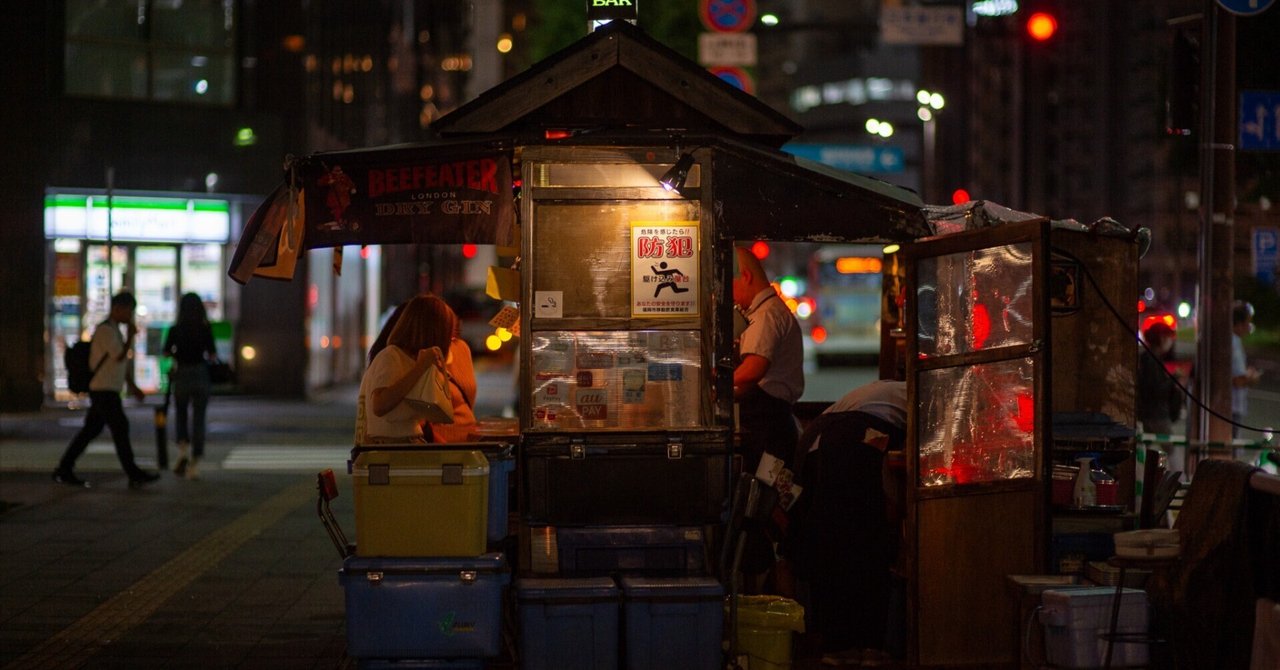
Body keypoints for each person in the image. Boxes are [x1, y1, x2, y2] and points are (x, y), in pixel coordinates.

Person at [788, 379, 907, 667]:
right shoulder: (925, 390)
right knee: (866, 538)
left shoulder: (890, 391)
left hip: (815, 438)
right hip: (851, 436)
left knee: (827, 536)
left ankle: (837, 644)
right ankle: (867, 645)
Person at [731, 244, 805, 592]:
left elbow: (751, 371)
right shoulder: (765, 314)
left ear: (745, 277)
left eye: (728, 283)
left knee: (766, 514)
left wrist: (713, 389)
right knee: (764, 514)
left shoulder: (767, 316)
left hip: (770, 432)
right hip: (771, 427)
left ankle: (769, 603)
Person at [53, 291, 161, 489]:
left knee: (91, 430)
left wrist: (133, 385)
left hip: (107, 388)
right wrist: (130, 336)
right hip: (103, 389)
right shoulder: (105, 331)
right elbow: (119, 356)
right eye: (129, 311)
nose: (130, 316)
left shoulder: (113, 330)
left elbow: (118, 364)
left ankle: (64, 468)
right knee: (120, 427)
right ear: (118, 309)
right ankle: (133, 473)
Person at [357, 294, 460, 443]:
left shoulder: (412, 360)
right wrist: (421, 367)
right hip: (392, 446)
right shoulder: (391, 356)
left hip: (409, 442)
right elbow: (380, 405)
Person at [163, 292, 218, 479]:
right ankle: (194, 463)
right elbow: (212, 354)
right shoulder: (204, 328)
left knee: (180, 413)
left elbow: (165, 352)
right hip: (200, 373)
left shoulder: (175, 329)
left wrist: (177, 355)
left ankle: (182, 451)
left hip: (182, 374)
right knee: (199, 418)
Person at [1136, 321, 1182, 435]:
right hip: (1156, 416)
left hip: (1148, 414)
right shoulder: (1152, 360)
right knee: (1171, 449)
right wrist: (1174, 379)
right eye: (1169, 338)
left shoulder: (1149, 358)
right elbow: (1156, 389)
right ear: (1162, 338)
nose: (1171, 342)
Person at [1231, 301, 1262, 437]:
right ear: (1238, 323)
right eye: (1246, 323)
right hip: (1233, 406)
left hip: (1232, 406)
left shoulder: (1232, 341)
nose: (1248, 327)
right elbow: (1238, 380)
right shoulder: (1234, 343)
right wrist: (1251, 378)